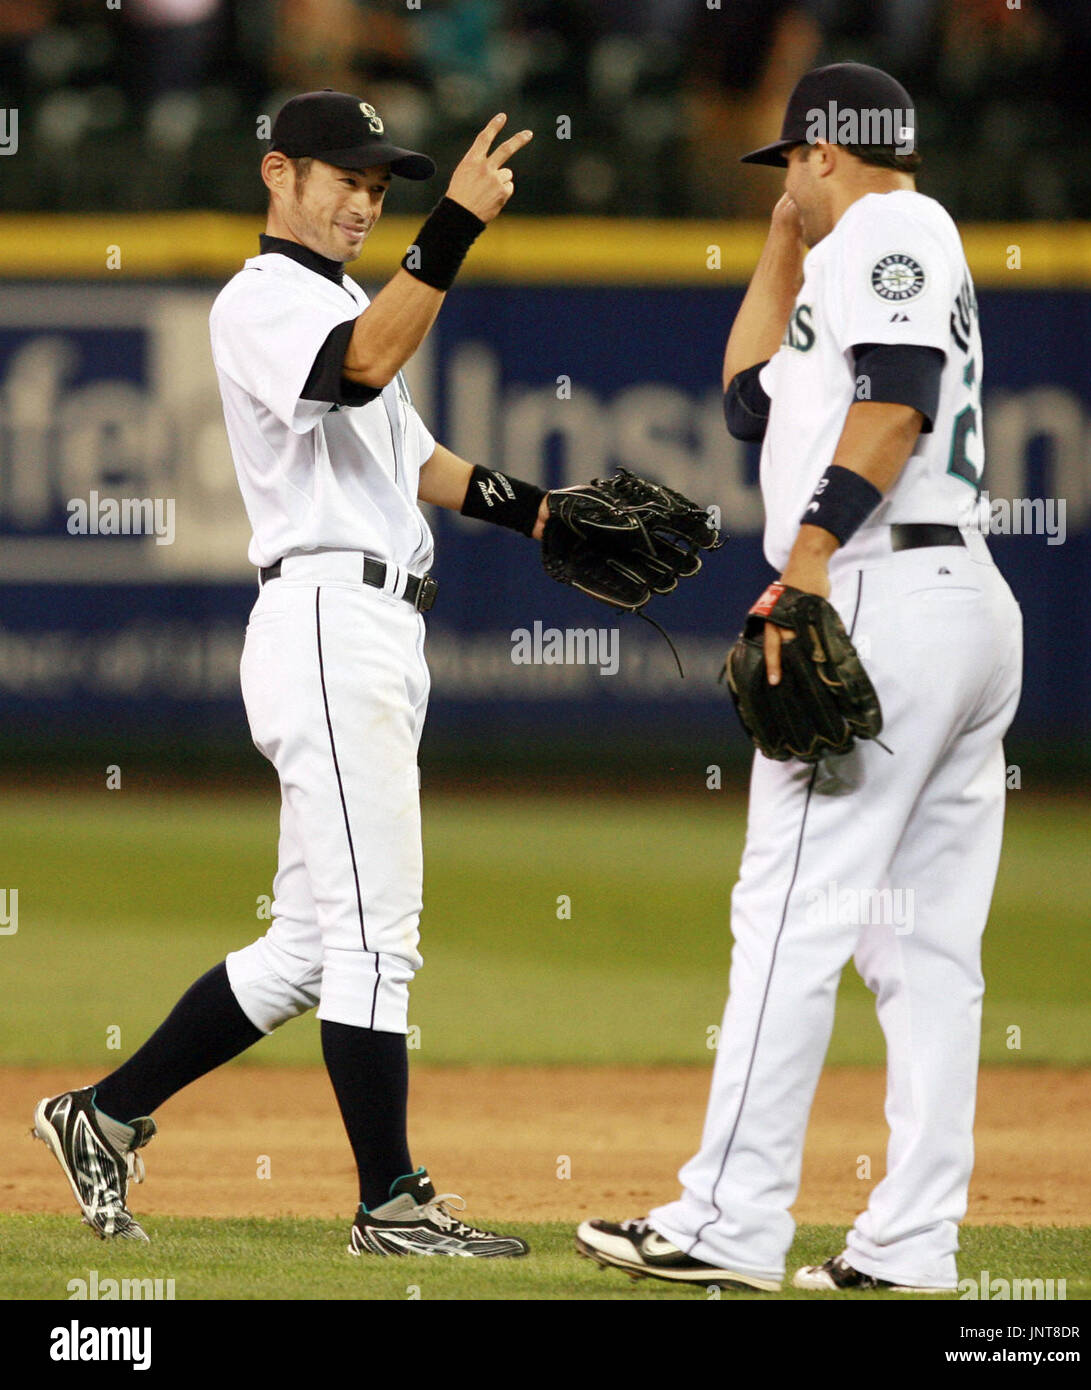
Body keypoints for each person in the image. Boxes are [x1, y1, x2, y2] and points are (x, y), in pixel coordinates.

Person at [33, 89, 557, 1260]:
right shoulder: (264, 298)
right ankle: (392, 1203)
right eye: (346, 176)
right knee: (381, 935)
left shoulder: (343, 296)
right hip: (328, 616)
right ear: (279, 175)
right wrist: (454, 227)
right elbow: (359, 374)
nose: (366, 199)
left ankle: (103, 1115)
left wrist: (538, 515)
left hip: (368, 624)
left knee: (312, 948)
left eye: (382, 184)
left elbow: (411, 455)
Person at [577, 62, 1023, 1293]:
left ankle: (724, 1223)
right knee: (920, 948)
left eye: (787, 167)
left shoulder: (891, 224)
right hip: (949, 600)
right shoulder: (845, 251)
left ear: (823, 146)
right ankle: (907, 1245)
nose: (785, 189)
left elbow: (898, 406)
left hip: (882, 583)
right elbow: (741, 401)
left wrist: (809, 562)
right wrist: (778, 234)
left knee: (786, 914)